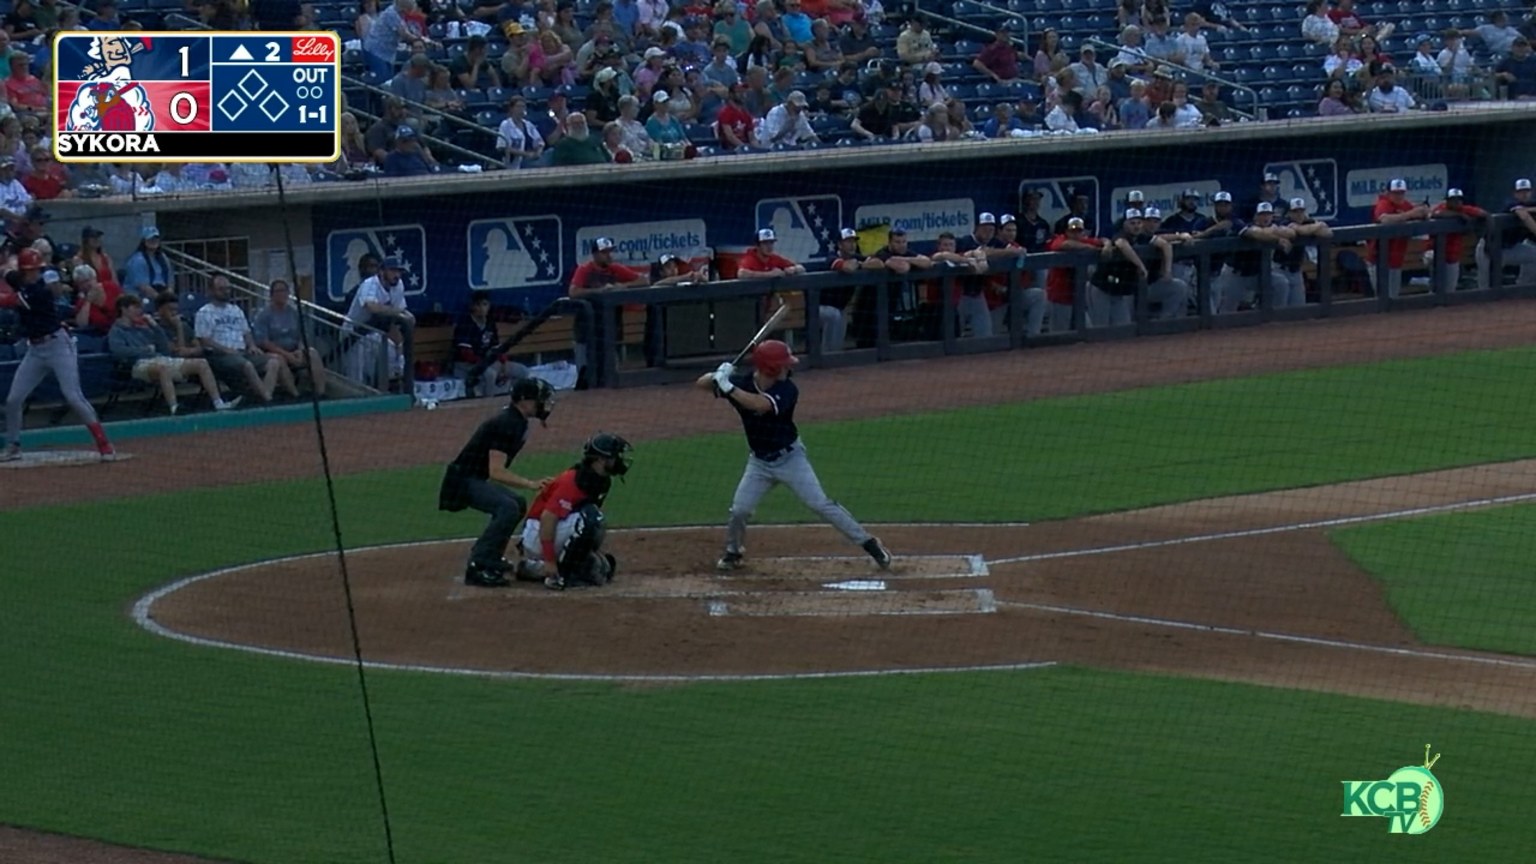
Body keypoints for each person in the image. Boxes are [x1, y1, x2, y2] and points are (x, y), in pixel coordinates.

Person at [698, 339, 891, 572]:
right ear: (771, 367)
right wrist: (717, 375)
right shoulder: (742, 384)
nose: (789, 368)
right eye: (783, 364)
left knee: (819, 503)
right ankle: (733, 552)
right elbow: (701, 385)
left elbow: (759, 405)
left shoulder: (787, 389)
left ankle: (870, 544)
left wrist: (728, 387)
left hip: (791, 459)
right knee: (740, 510)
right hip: (759, 462)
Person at [437, 377, 559, 587]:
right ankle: (478, 565)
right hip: (461, 482)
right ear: (524, 401)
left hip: (471, 478)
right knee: (507, 508)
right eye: (538, 399)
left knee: (517, 503)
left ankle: (492, 557)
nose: (543, 404)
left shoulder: (516, 421)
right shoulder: (508, 423)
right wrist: (530, 483)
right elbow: (496, 472)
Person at [0, 248, 117, 462]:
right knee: (14, 399)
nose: (34, 273)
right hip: (35, 350)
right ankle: (13, 445)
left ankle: (104, 444)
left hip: (58, 346)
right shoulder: (22, 280)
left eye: (36, 270)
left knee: (73, 395)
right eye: (30, 270)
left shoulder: (39, 292)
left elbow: (7, 301)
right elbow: (7, 272)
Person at [513, 432, 633, 590]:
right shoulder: (572, 481)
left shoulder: (601, 480)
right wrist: (549, 560)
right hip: (537, 533)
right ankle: (561, 573)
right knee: (591, 518)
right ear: (600, 459)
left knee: (600, 562)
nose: (619, 460)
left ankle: (534, 568)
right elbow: (548, 517)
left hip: (555, 528)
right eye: (615, 456)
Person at [108, 294, 240, 414]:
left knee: (201, 363)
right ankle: (174, 407)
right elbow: (119, 351)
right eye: (135, 308)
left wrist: (155, 327)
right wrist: (145, 350)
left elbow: (164, 348)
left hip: (161, 358)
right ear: (124, 309)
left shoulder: (143, 329)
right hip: (137, 365)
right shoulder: (116, 331)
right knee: (163, 369)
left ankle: (219, 403)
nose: (139, 311)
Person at [253, 279, 328, 398]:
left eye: (285, 291)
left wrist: (300, 349)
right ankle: (295, 394)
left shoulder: (293, 313)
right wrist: (287, 355)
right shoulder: (264, 315)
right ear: (272, 295)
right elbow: (264, 341)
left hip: (293, 349)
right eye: (279, 291)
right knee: (279, 359)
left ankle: (321, 393)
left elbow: (301, 335)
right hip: (274, 352)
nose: (283, 294)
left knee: (312, 353)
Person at [454, 289, 528, 397]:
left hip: (487, 362)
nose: (482, 308)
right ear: (472, 306)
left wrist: (503, 364)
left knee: (522, 371)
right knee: (490, 374)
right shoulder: (465, 324)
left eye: (485, 304)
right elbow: (465, 354)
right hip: (465, 365)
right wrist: (487, 363)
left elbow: (497, 348)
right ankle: (489, 403)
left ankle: (514, 399)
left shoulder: (490, 323)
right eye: (478, 305)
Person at [122, 225, 174, 302]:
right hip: (140, 296)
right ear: (144, 241)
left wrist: (169, 295)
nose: (153, 241)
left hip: (161, 292)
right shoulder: (137, 260)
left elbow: (170, 281)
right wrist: (161, 300)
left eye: (156, 238)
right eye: (150, 239)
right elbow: (142, 286)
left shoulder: (163, 258)